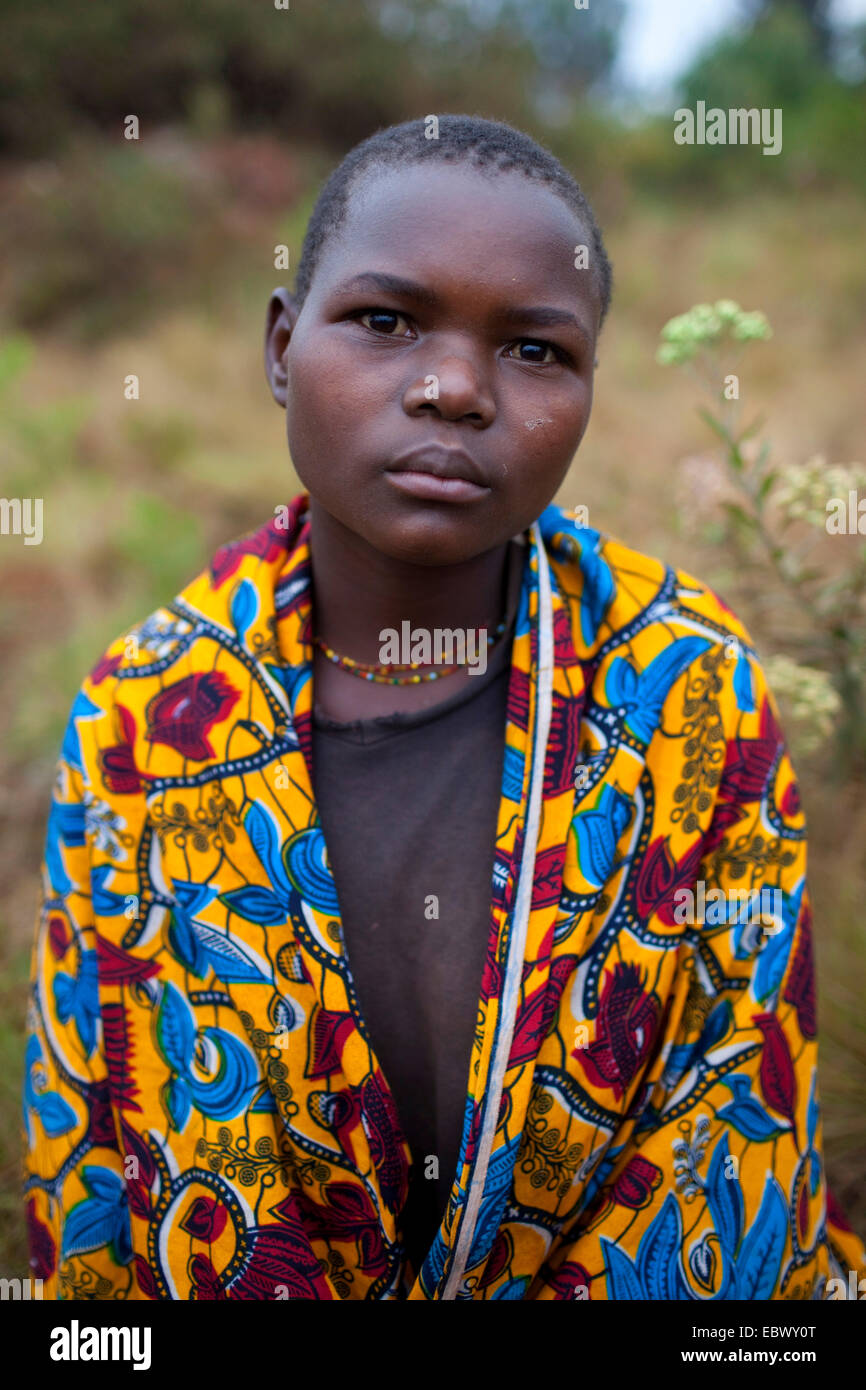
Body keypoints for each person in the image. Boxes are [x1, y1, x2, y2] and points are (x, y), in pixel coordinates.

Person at [22, 114, 865, 1301]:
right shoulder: (143, 719)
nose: (454, 387)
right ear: (279, 349)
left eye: (532, 350)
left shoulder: (690, 693)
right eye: (384, 321)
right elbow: (100, 1160)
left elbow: (735, 1129)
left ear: (583, 394)